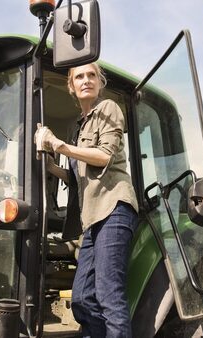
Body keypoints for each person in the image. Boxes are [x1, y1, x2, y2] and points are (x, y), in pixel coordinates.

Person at [34, 62, 138, 338]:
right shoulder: (77, 127)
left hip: (114, 209)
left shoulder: (109, 109)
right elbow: (78, 178)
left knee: (109, 295)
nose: (86, 80)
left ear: (99, 82)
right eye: (79, 76)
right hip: (91, 220)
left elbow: (103, 156)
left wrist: (61, 146)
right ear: (71, 86)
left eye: (92, 75)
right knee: (81, 298)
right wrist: (51, 167)